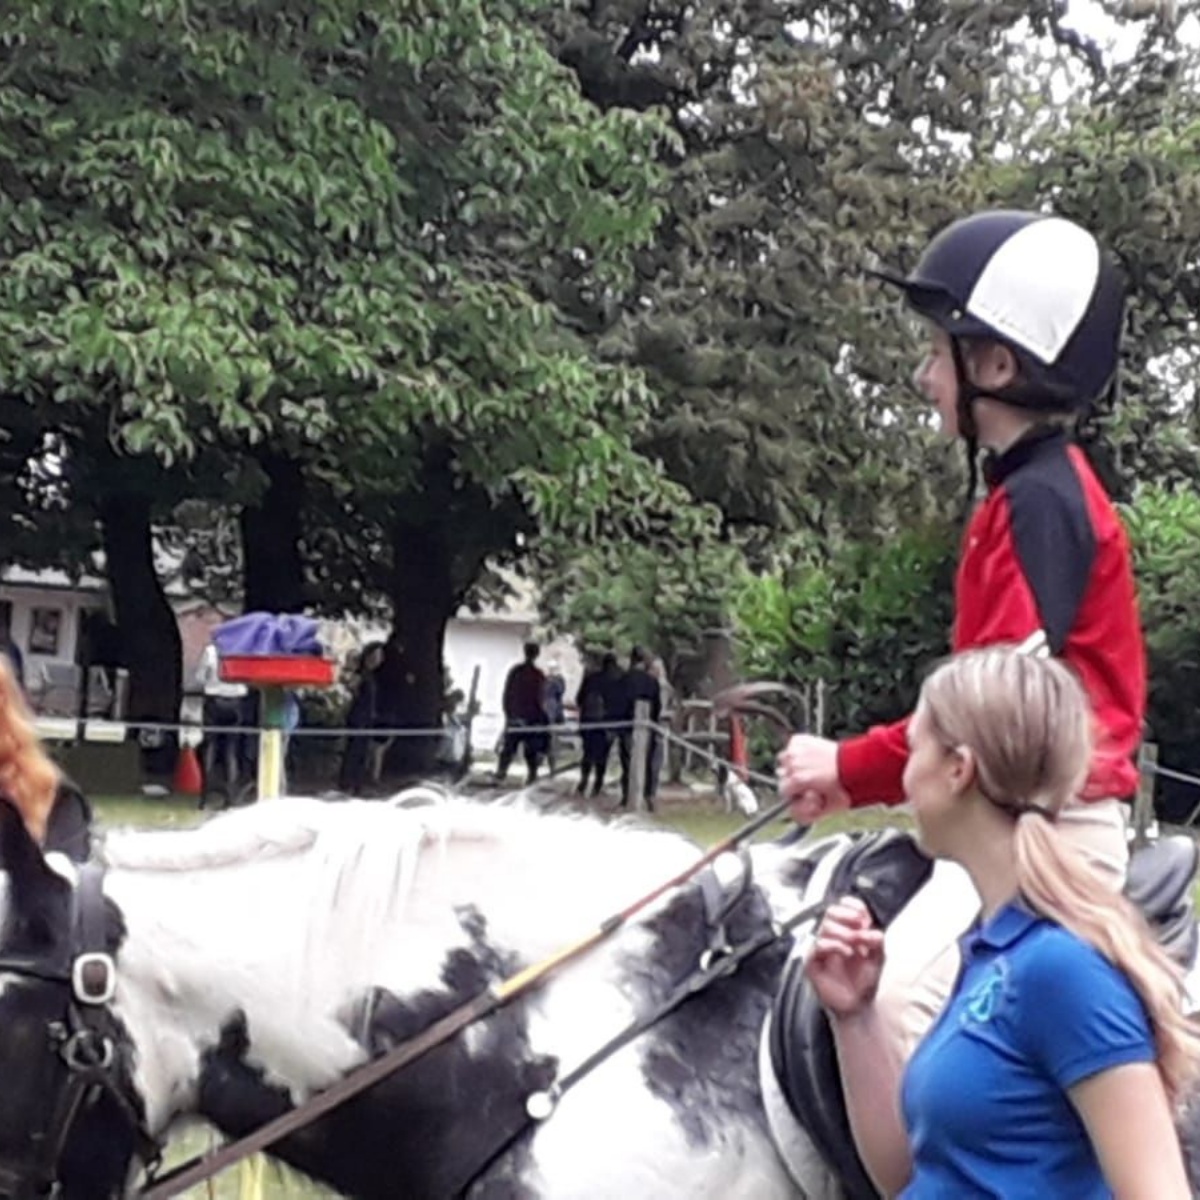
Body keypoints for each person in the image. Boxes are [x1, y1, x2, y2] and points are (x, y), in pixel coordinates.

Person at [777, 209, 1144, 1061]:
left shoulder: (1041, 504)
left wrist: (848, 766)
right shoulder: (1021, 495)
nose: (923, 376)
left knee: (896, 1005)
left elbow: (983, 717)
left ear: (996, 366)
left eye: (937, 355)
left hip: (1051, 835)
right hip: (1008, 824)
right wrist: (854, 779)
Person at [806, 646, 1198, 1199]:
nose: (905, 781)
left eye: (913, 750)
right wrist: (854, 1019)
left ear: (958, 769)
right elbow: (914, 1178)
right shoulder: (990, 951)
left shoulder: (1062, 970)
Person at [614, 647, 662, 808]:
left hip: (627, 725)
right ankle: (647, 794)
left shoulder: (623, 680)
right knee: (647, 762)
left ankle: (627, 794)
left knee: (627, 761)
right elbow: (657, 706)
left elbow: (618, 703)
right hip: (647, 727)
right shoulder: (652, 682)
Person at [494, 642, 549, 786]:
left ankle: (502, 773)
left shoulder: (516, 672)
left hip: (518, 715)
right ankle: (531, 775)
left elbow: (507, 693)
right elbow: (541, 697)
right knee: (528, 749)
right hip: (529, 717)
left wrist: (508, 712)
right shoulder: (537, 675)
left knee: (510, 748)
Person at [338, 642, 384, 795]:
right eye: (376, 655)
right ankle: (348, 783)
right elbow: (352, 689)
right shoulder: (362, 675)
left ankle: (357, 783)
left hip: (367, 718)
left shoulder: (372, 676)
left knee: (362, 752)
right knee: (354, 751)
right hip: (358, 718)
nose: (379, 659)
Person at [542, 658, 567, 773]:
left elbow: (560, 691)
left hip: (552, 713)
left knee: (551, 739)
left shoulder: (558, 680)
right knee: (543, 738)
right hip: (545, 713)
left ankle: (552, 764)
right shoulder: (545, 680)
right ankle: (541, 762)